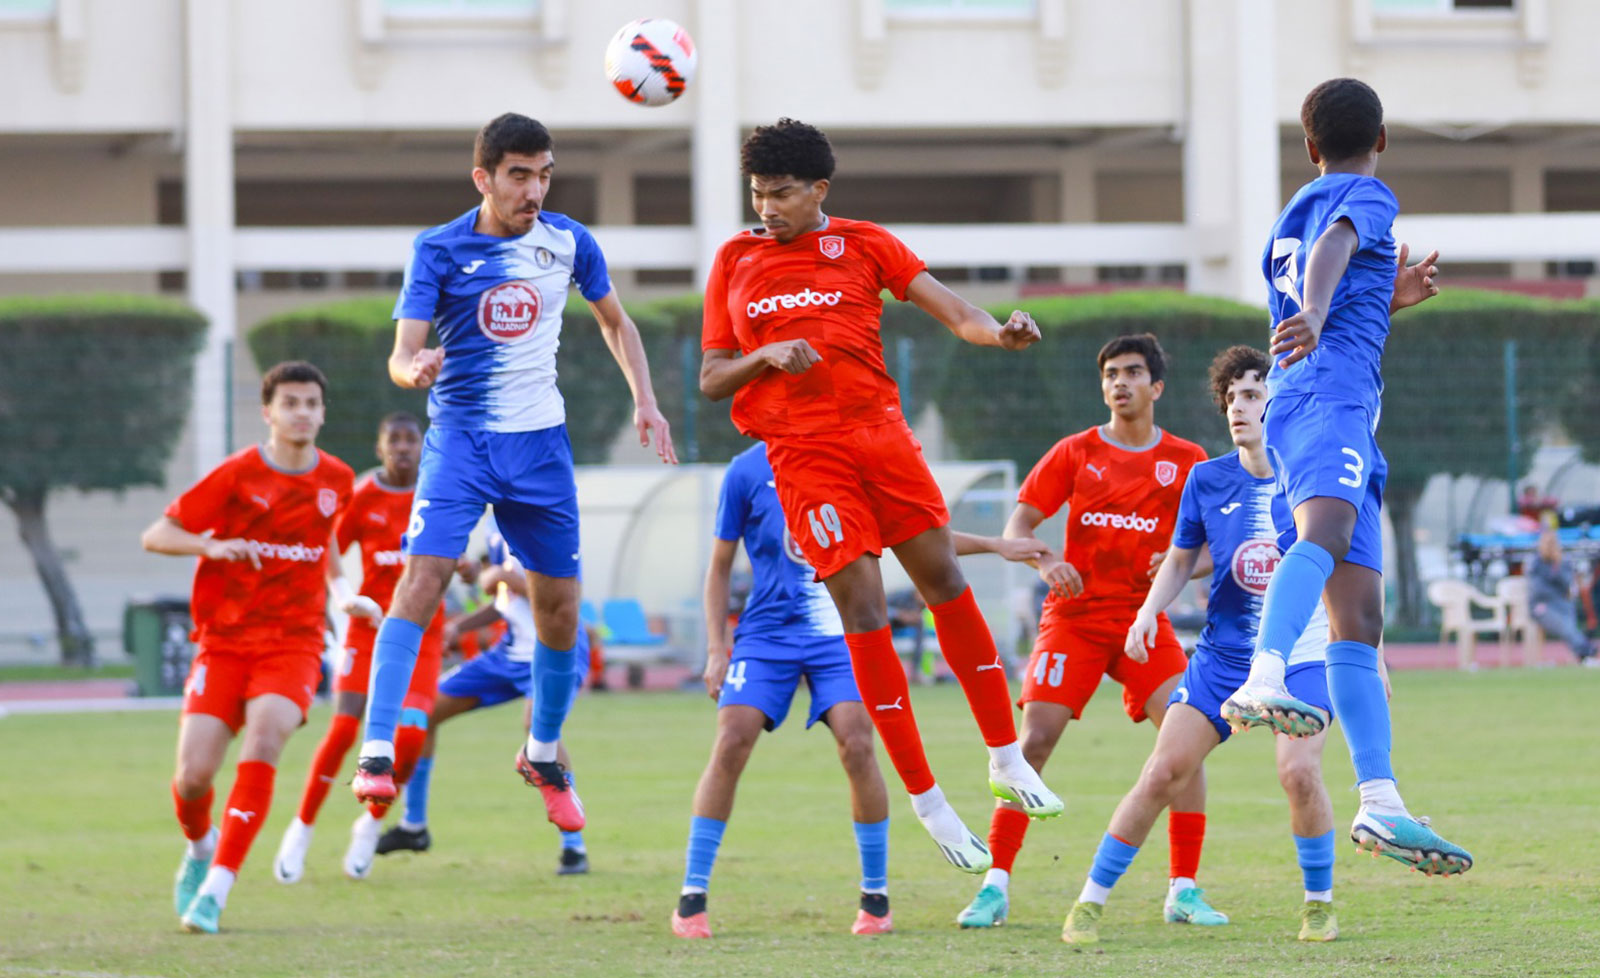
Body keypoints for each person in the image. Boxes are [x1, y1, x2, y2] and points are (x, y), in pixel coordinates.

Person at [699, 118, 1061, 875]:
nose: (768, 208)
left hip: (881, 437)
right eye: (758, 194)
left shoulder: (865, 243)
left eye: (783, 194)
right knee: (862, 611)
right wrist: (763, 354)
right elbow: (710, 378)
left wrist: (1001, 334)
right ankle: (928, 802)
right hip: (804, 456)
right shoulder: (735, 259)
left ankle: (1004, 755)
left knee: (944, 581)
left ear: (820, 190)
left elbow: (958, 312)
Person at [352, 113, 677, 828]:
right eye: (519, 176)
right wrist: (415, 369)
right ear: (484, 178)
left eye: (545, 174)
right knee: (424, 580)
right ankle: (376, 749)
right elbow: (402, 351)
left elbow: (616, 322)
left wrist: (646, 401)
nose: (535, 190)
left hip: (540, 448)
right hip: (462, 443)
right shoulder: (437, 249)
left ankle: (543, 751)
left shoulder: (568, 242)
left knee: (561, 610)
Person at [1222, 77, 1472, 875]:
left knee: (1360, 619)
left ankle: (1382, 803)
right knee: (1322, 536)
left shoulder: (1287, 215)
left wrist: (1379, 300)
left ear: (1307, 144)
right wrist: (1327, 310)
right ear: (1383, 139)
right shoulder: (1365, 195)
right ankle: (1263, 675)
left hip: (1334, 405)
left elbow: (1322, 268)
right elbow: (1334, 248)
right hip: (1327, 397)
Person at [672, 442, 1047, 939]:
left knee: (857, 740)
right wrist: (717, 646)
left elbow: (916, 537)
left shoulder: (848, 453)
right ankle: (692, 897)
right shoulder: (745, 469)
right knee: (731, 739)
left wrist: (996, 545)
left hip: (839, 632)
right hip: (767, 634)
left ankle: (875, 897)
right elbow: (719, 565)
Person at [1060, 346, 1347, 945]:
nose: (1240, 408)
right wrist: (1146, 613)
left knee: (1298, 773)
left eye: (1254, 395)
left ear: (1282, 404)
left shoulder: (1315, 478)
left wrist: (1365, 653)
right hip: (1223, 660)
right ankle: (1090, 902)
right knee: (1163, 769)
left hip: (1301, 657)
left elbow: (1348, 570)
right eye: (1233, 397)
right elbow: (1180, 559)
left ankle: (1318, 904)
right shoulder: (1206, 477)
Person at [958, 333, 1211, 930]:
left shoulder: (1189, 460)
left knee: (1186, 740)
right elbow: (1021, 523)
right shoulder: (1075, 451)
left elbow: (1212, 548)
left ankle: (1184, 889)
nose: (1118, 383)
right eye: (1110, 375)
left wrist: (1183, 566)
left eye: (1131, 373)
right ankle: (995, 885)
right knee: (1031, 744)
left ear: (1157, 387)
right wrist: (1046, 561)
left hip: (1144, 620)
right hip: (1073, 619)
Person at [141, 361, 369, 933]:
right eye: (290, 403)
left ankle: (218, 887)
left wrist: (342, 596)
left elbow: (324, 547)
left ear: (323, 412)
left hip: (293, 644)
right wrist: (211, 548)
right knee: (193, 779)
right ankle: (199, 848)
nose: (303, 413)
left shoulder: (338, 478)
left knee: (266, 738)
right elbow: (157, 534)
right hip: (223, 643)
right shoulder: (239, 474)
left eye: (313, 403)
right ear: (268, 412)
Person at [272, 412, 447, 884]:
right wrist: (340, 597)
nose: (404, 448)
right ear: (380, 448)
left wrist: (467, 571)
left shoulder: (437, 491)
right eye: (395, 439)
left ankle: (371, 824)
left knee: (410, 736)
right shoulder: (364, 497)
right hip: (370, 629)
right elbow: (326, 550)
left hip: (423, 633)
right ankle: (302, 827)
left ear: (423, 446)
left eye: (412, 440)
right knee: (345, 728)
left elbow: (452, 558)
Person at [370, 530, 593, 874]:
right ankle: (414, 826)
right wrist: (462, 626)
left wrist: (502, 576)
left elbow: (565, 596)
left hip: (555, 652)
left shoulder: (548, 519)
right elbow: (507, 602)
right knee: (423, 714)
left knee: (538, 729)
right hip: (508, 654)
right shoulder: (495, 532)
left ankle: (573, 848)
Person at [1527, 528, 1598, 665]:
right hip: (1541, 605)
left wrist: (1559, 567)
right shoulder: (1536, 563)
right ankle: (1586, 650)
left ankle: (1583, 651)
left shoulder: (1561, 562)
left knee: (1569, 619)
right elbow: (1538, 590)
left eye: (1552, 544)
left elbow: (1567, 584)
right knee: (1564, 625)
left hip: (1560, 603)